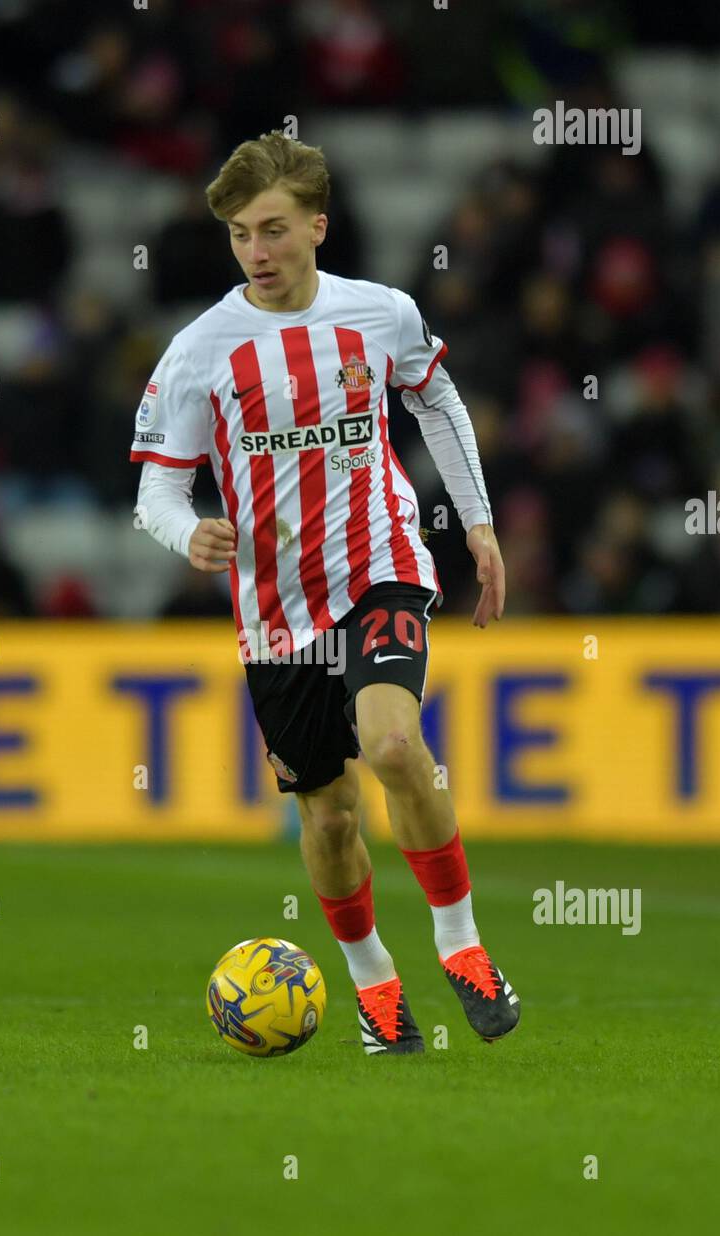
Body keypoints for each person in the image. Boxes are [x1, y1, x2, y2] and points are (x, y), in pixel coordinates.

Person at [133, 131, 519, 1054]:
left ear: (317, 225)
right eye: (237, 236)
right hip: (275, 611)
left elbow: (437, 399)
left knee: (393, 745)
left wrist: (477, 522)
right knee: (331, 814)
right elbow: (154, 485)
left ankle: (462, 945)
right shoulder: (201, 351)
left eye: (271, 230)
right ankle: (374, 987)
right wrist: (190, 533)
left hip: (379, 562)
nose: (255, 253)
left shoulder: (379, 314)